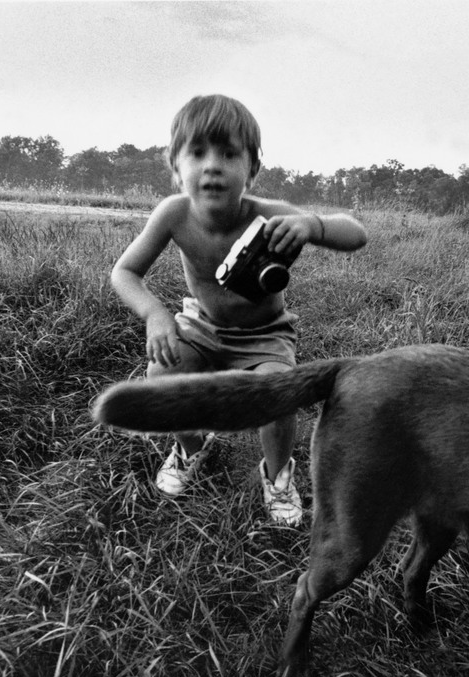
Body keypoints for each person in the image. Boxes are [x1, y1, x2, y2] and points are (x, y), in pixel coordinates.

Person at [109, 95, 368, 525]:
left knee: (278, 393)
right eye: (197, 153)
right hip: (201, 326)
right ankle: (191, 449)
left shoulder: (267, 216)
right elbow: (125, 272)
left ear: (252, 169)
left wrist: (310, 225)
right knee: (163, 375)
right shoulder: (174, 214)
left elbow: (356, 234)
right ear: (175, 166)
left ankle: (278, 476)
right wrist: (155, 314)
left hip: (265, 334)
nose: (213, 166)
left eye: (229, 154)